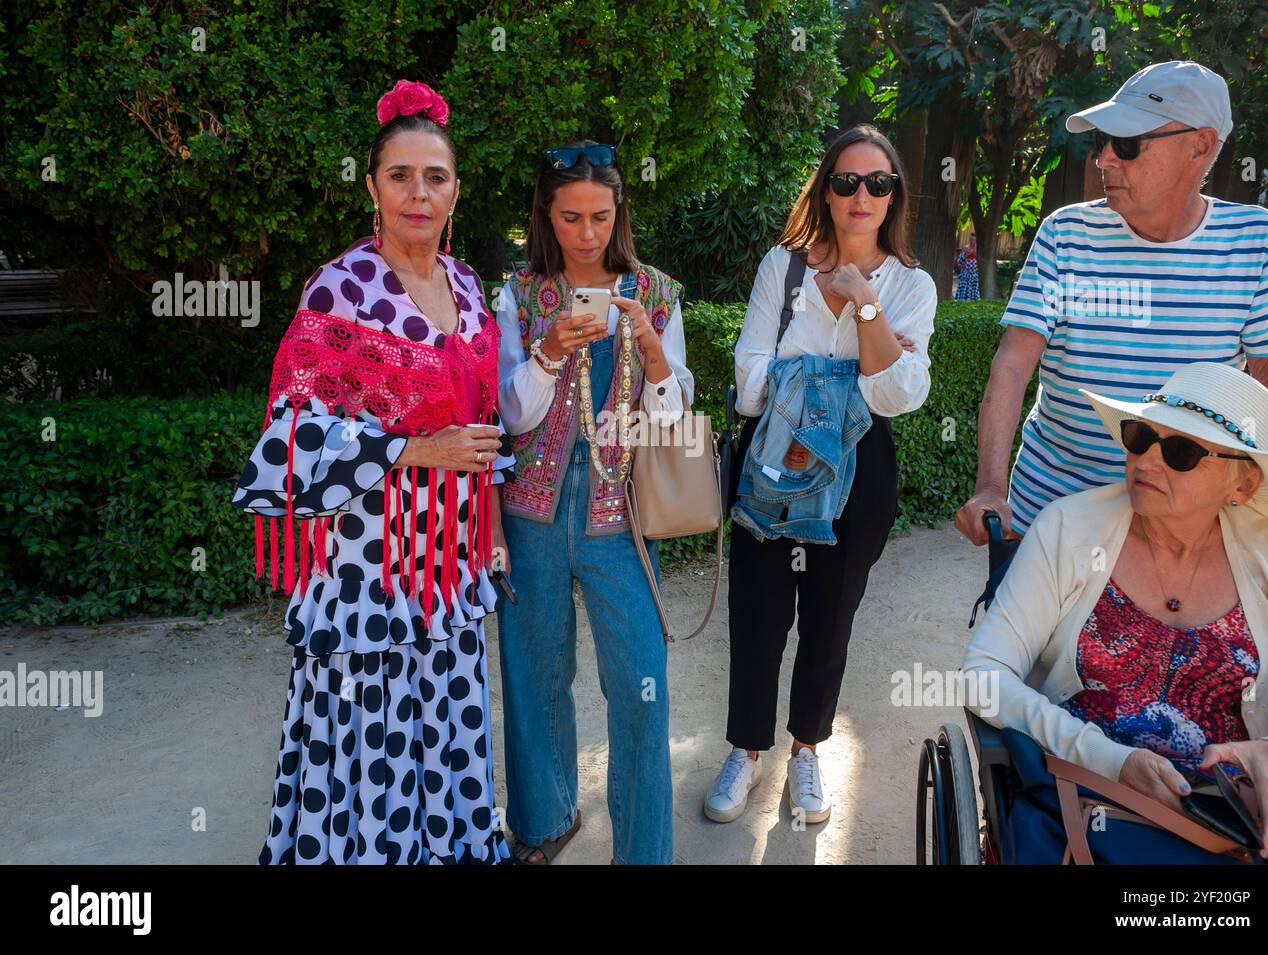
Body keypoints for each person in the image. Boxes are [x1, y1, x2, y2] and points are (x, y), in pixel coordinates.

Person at [232, 80, 514, 864]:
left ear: (456, 189)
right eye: (400, 175)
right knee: (371, 735)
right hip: (368, 569)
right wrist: (414, 450)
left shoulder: (466, 285)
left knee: (446, 719)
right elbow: (290, 438)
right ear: (373, 187)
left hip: (450, 562)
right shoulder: (341, 288)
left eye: (435, 176)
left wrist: (489, 521)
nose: (418, 193)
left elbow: (482, 416)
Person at [963, 362, 1268, 864]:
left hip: (1236, 818)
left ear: (1244, 485)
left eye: (1182, 451)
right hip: (1087, 808)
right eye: (1140, 435)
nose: (1147, 460)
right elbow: (982, 675)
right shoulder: (1068, 530)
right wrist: (1110, 759)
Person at [955, 60, 1268, 547]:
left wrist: (1227, 481)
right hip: (1050, 514)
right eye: (1103, 142)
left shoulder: (1258, 242)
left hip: (1180, 528)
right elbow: (1013, 365)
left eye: (1127, 143)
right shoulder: (1065, 233)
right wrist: (990, 487)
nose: (1104, 159)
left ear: (1199, 146)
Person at [703, 124, 938, 825]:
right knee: (758, 613)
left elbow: (901, 395)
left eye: (878, 183)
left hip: (859, 473)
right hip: (774, 464)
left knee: (830, 622)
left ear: (894, 194)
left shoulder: (912, 285)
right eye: (846, 181)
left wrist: (863, 300)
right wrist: (862, 363)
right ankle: (746, 750)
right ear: (826, 190)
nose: (861, 195)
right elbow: (747, 383)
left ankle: (806, 748)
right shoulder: (783, 269)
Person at [493, 140, 694, 865]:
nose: (587, 233)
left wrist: (653, 350)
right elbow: (509, 416)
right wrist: (547, 351)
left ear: (619, 212)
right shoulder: (516, 296)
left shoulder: (658, 294)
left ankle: (643, 851)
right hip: (530, 516)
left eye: (601, 217)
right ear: (548, 215)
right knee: (535, 678)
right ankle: (544, 822)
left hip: (624, 523)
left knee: (640, 687)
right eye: (571, 216)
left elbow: (675, 422)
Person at [954, 234, 980, 299]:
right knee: (964, 288)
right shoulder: (966, 248)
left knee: (973, 288)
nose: (972, 242)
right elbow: (959, 261)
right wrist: (966, 255)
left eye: (973, 240)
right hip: (965, 273)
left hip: (974, 274)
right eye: (971, 240)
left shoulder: (978, 250)